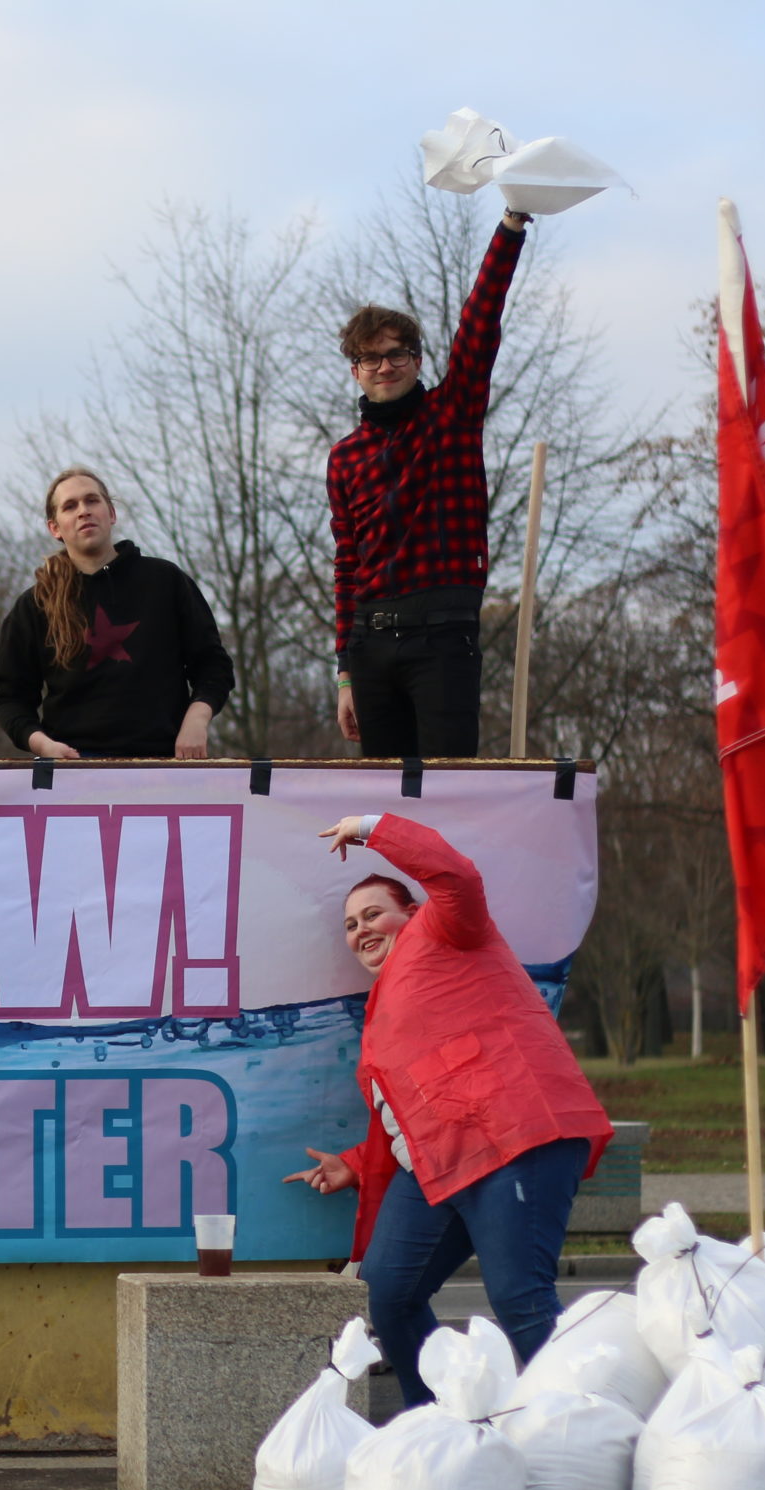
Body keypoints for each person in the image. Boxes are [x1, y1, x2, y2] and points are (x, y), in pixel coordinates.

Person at [282, 812, 612, 1407]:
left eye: (373, 913)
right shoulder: (382, 1012)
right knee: (388, 1294)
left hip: (517, 1140)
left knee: (520, 1298)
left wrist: (369, 827)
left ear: (411, 912)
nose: (360, 930)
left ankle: (590, 1430)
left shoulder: (446, 929)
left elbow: (455, 874)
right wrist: (358, 1163)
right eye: (350, 925)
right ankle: (438, 1427)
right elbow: (424, 1106)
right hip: (441, 1167)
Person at [328, 209, 531, 760]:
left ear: (416, 361)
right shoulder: (345, 456)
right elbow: (347, 563)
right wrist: (346, 669)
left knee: (447, 786)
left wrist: (510, 227)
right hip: (371, 643)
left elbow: (480, 322)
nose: (383, 365)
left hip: (443, 634)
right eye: (369, 357)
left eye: (396, 354)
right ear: (356, 371)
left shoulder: (451, 415)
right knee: (384, 799)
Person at [0, 466, 232, 759]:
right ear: (54, 528)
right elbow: (10, 697)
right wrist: (44, 745)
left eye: (92, 500)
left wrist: (196, 721)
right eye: (70, 506)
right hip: (73, 773)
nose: (83, 511)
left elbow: (212, 665)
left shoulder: (166, 581)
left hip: (165, 765)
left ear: (111, 513)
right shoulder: (35, 604)